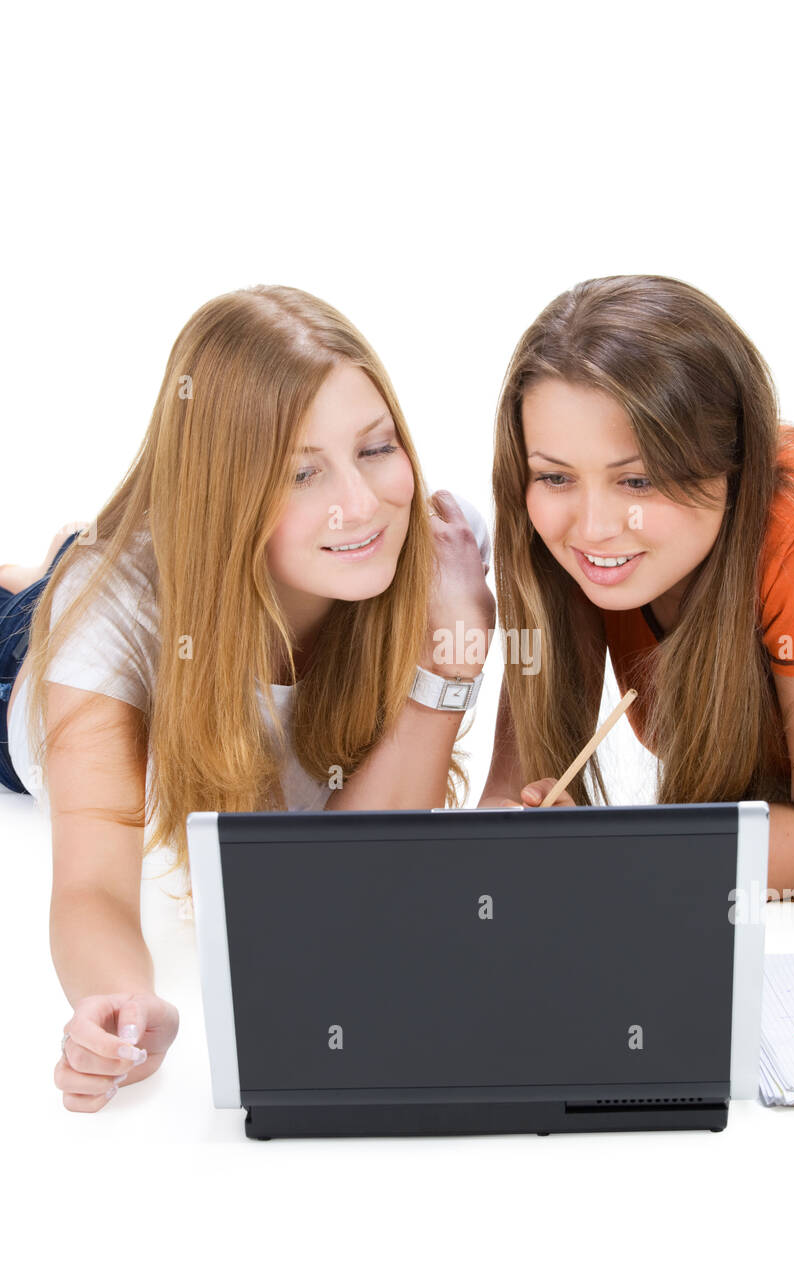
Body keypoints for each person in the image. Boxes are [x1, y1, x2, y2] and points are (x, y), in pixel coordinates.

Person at [0, 285, 495, 1112]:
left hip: (143, 587)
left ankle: (47, 566)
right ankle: (45, 576)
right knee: (57, 603)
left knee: (67, 579)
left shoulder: (434, 562)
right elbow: (92, 883)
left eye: (375, 450)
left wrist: (450, 664)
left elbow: (344, 873)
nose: (362, 503)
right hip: (28, 673)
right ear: (225, 493)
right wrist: (119, 997)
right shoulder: (118, 615)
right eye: (302, 471)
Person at [478, 274, 794, 906]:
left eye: (637, 480)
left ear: (734, 465)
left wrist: (613, 853)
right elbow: (502, 806)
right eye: (555, 476)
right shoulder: (575, 548)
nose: (594, 527)